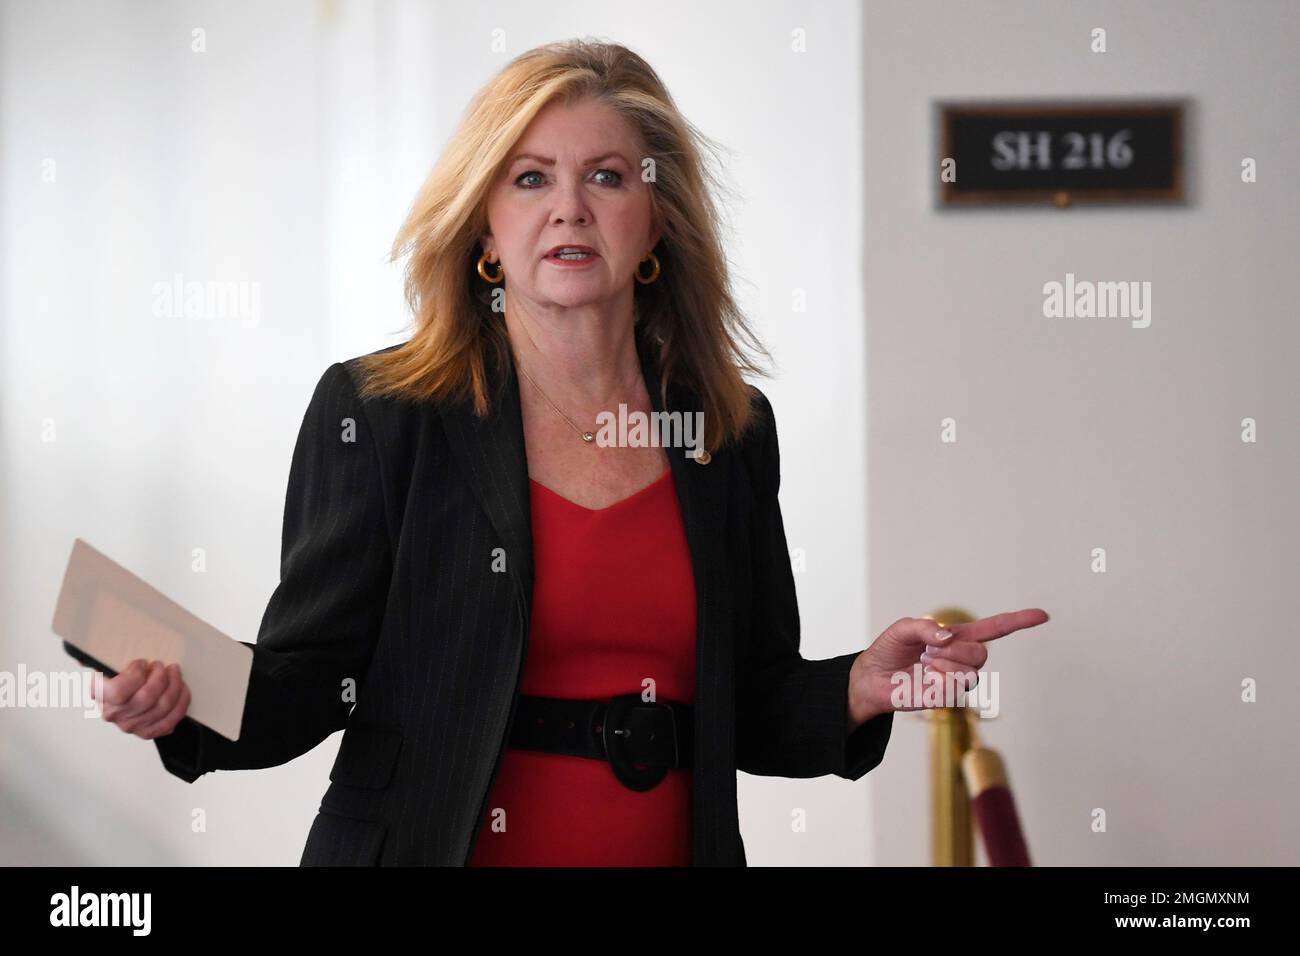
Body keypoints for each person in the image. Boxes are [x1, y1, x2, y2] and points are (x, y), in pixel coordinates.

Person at [91, 38, 1049, 866]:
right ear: (485, 229)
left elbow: (749, 704)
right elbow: (308, 682)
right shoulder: (384, 414)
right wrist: (182, 698)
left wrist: (854, 686)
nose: (570, 209)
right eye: (530, 177)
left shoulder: (728, 430)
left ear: (657, 222)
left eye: (607, 175)